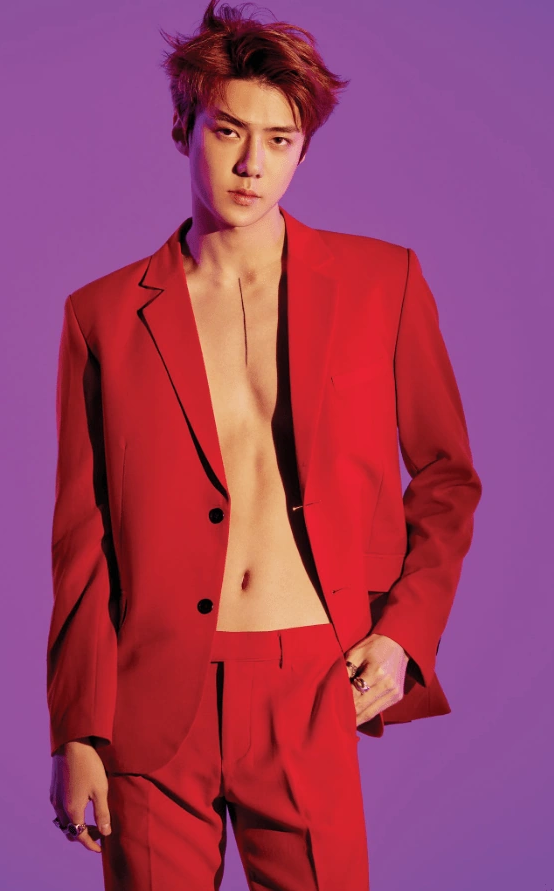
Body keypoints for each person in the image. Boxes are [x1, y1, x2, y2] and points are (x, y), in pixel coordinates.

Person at [46, 2, 482, 888]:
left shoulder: (382, 282)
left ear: (301, 149)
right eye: (228, 132)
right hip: (152, 698)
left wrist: (403, 634)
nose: (252, 164)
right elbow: (83, 541)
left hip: (309, 680)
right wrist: (76, 730)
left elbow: (446, 478)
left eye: (279, 140)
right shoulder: (103, 316)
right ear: (185, 129)